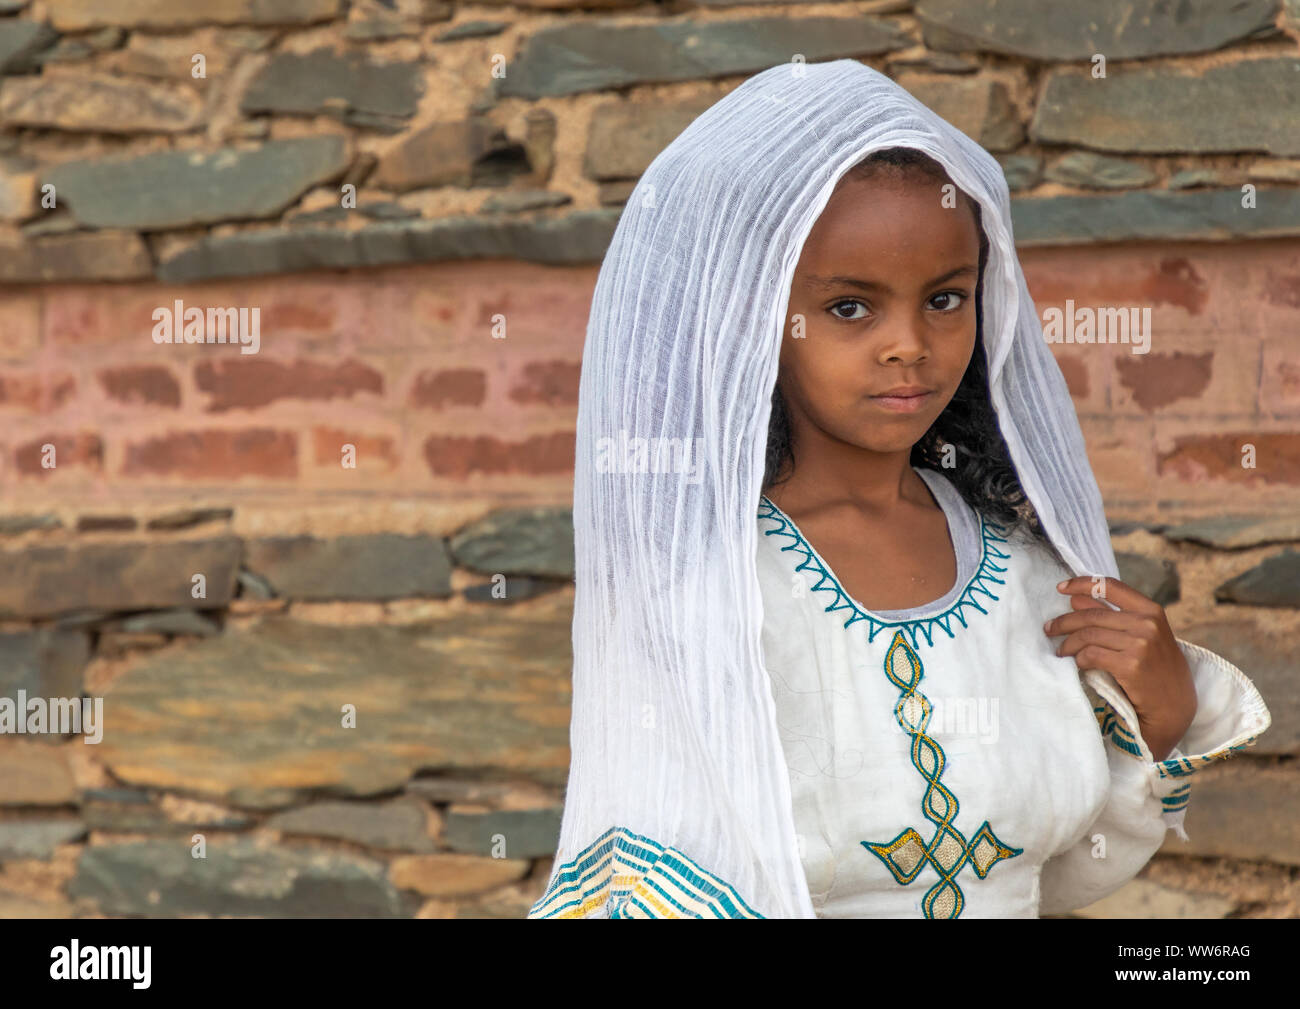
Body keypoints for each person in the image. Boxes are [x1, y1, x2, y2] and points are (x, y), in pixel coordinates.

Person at [526, 59, 1271, 919]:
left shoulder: (1030, 575)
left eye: (946, 298)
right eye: (851, 307)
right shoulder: (711, 593)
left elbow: (1064, 867)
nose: (909, 344)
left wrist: (1166, 713)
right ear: (756, 319)